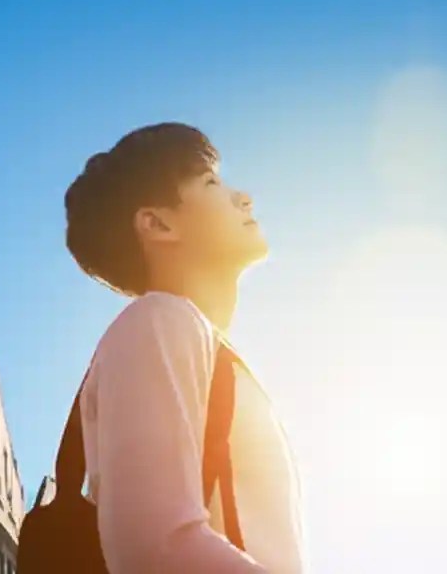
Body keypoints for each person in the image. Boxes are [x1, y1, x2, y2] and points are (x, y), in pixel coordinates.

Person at [63, 123, 305, 573]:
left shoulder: (201, 345)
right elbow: (156, 549)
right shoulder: (161, 321)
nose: (244, 196)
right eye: (212, 182)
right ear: (157, 223)